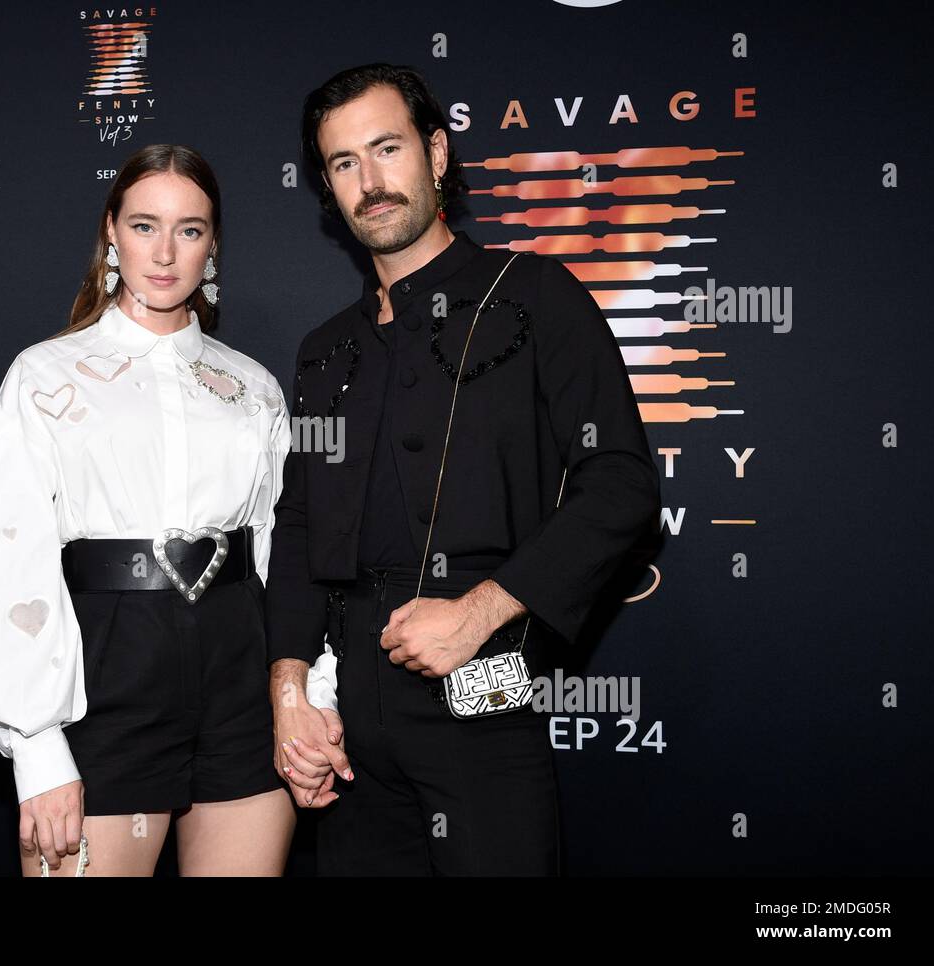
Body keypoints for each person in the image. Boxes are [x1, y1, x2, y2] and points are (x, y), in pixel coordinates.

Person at [265, 64, 662, 875]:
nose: (370, 183)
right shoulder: (322, 352)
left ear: (437, 153)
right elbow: (299, 528)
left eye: (387, 149)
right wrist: (290, 695)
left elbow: (620, 487)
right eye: (344, 164)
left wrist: (479, 613)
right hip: (349, 719)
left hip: (488, 684)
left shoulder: (537, 296)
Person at [0, 143, 296, 876]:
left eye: (190, 230)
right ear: (111, 231)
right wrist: (36, 747)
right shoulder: (44, 374)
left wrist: (306, 695)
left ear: (213, 244)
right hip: (105, 675)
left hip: (240, 680)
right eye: (144, 225)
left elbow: (281, 553)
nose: (165, 253)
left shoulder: (253, 387)